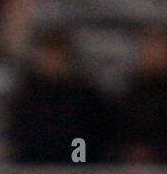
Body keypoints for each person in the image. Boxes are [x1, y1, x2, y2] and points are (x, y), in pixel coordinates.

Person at [7, 29, 114, 164]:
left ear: (67, 58)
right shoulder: (28, 95)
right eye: (47, 57)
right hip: (35, 169)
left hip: (77, 169)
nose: (52, 62)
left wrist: (78, 162)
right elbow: (20, 135)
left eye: (56, 56)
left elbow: (93, 134)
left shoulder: (85, 94)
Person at [116, 25, 167, 163]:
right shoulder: (129, 92)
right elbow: (119, 134)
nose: (154, 55)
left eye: (160, 49)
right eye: (150, 48)